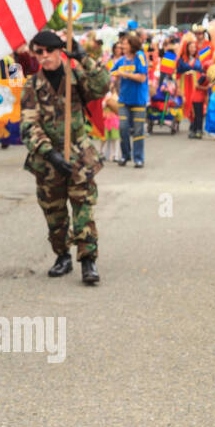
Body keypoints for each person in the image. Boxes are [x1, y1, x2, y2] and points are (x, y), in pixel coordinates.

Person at [20, 29, 110, 285]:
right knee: (54, 213)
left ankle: (88, 260)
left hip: (80, 156)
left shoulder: (75, 77)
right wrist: (51, 154)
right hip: (49, 161)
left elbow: (102, 85)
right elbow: (29, 126)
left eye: (49, 50)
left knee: (84, 209)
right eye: (39, 52)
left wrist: (84, 58)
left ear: (60, 51)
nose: (44, 56)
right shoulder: (32, 85)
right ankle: (62, 255)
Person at [111, 34, 148, 167]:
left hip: (138, 100)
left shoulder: (140, 57)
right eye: (121, 44)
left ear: (132, 45)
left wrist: (124, 74)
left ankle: (138, 158)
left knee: (138, 130)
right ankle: (125, 155)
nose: (122, 46)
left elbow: (142, 78)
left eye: (124, 44)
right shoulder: (121, 61)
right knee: (123, 128)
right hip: (124, 100)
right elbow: (112, 73)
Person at [177, 37, 206, 139]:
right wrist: (179, 89)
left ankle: (197, 128)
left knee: (197, 106)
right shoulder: (181, 60)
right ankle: (193, 126)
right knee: (188, 105)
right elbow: (178, 75)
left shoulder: (199, 59)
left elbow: (203, 72)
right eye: (191, 47)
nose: (193, 49)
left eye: (194, 47)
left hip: (196, 85)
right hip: (186, 85)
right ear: (187, 48)